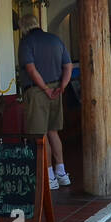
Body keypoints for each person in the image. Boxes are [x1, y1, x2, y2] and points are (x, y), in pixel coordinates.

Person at [18, 13, 72, 189]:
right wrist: (61, 86)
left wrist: (45, 89)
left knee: (40, 135)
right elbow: (68, 66)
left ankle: (49, 177)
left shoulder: (26, 42)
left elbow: (31, 70)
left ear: (24, 27)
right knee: (53, 132)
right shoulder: (55, 40)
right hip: (56, 90)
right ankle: (62, 173)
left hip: (37, 92)